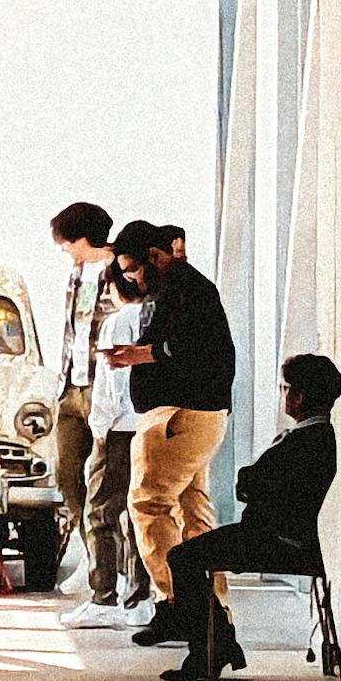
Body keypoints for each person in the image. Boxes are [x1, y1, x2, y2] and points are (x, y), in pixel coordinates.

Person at [160, 355, 341, 681]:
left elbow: (250, 483)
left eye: (285, 389)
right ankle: (220, 643)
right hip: (296, 543)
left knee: (182, 557)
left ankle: (211, 651)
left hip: (271, 540)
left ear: (297, 397)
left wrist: (251, 479)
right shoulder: (321, 437)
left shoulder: (300, 440)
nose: (283, 395)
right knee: (190, 556)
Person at [108, 217, 236, 645]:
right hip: (197, 414)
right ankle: (214, 616)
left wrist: (139, 355)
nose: (131, 278)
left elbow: (188, 348)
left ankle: (180, 605)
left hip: (178, 416)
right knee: (193, 513)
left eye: (133, 268)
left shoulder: (183, 288)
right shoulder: (184, 287)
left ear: (155, 256)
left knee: (147, 503)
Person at [61, 231, 147, 626]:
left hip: (116, 429)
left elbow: (110, 388)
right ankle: (141, 594)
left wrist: (98, 427)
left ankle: (103, 596)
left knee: (100, 510)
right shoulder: (151, 317)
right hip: (144, 425)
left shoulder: (115, 324)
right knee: (135, 511)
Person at [46, 203, 114, 586]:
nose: (64, 250)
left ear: (81, 237)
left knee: (108, 481)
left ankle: (110, 569)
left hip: (102, 388)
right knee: (67, 472)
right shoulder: (76, 274)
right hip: (71, 385)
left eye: (66, 242)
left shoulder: (119, 270)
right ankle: (94, 559)